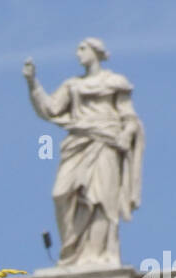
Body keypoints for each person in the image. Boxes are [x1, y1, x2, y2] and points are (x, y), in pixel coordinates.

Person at [23, 39, 143, 266]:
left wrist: (127, 134)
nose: (78, 53)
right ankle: (71, 251)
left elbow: (129, 117)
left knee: (101, 200)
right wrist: (32, 82)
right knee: (61, 194)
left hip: (106, 143)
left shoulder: (115, 82)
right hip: (77, 143)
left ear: (95, 52)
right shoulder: (72, 85)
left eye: (82, 49)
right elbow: (50, 109)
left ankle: (95, 255)